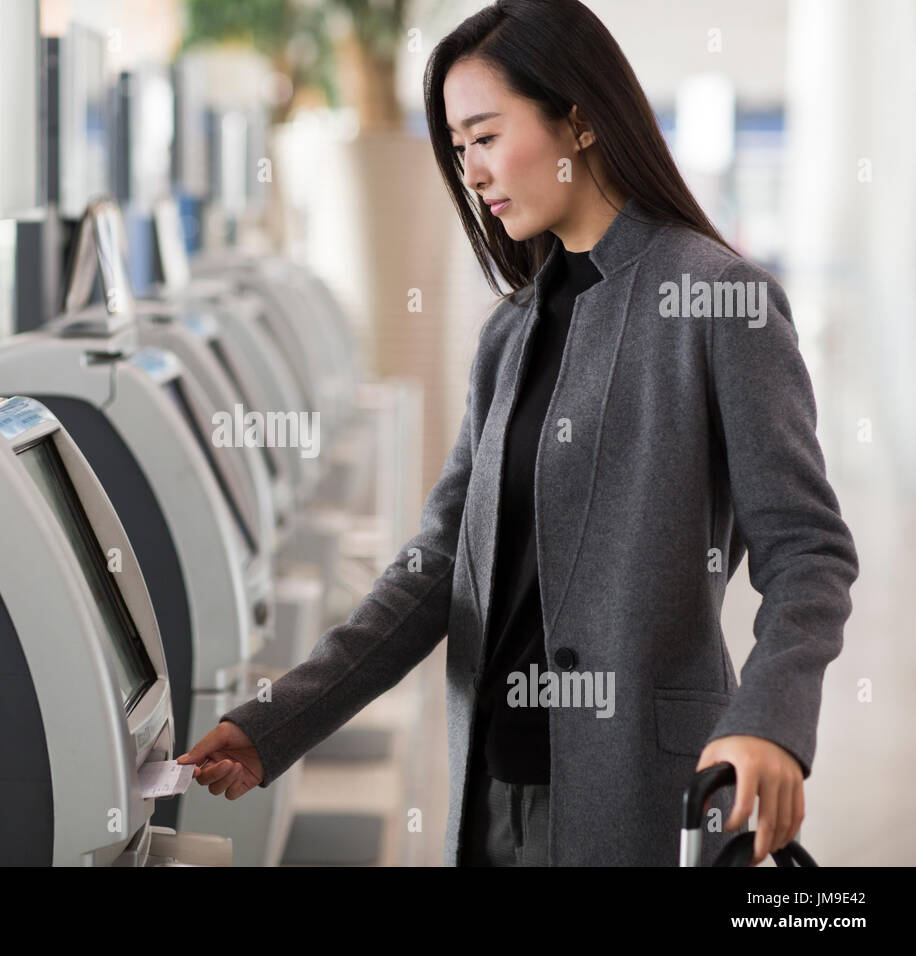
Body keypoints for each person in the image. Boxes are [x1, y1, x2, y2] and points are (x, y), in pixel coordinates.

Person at [177, 0, 859, 867]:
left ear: (577, 120)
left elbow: (809, 553)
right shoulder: (510, 332)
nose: (472, 171)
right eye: (458, 149)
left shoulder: (721, 302)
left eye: (487, 137)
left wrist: (769, 722)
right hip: (492, 797)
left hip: (644, 793)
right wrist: (276, 722)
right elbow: (435, 571)